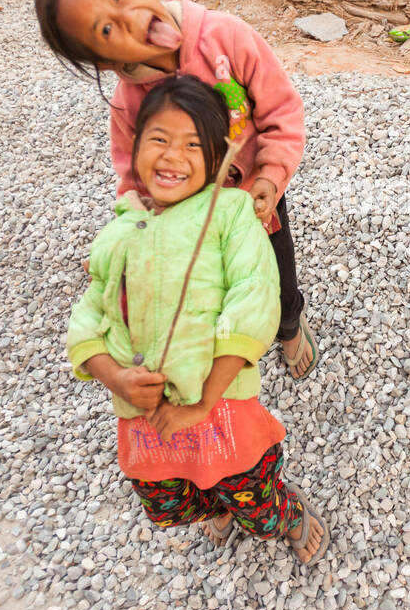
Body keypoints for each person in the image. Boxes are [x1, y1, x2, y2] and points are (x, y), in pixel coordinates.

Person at [66, 75, 328, 562]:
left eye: (193, 144)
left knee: (254, 497)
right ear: (135, 146)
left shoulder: (230, 213)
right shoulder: (120, 228)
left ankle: (286, 516)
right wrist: (115, 377)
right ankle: (213, 509)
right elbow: (88, 316)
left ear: (218, 159)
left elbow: (254, 298)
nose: (172, 155)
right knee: (173, 501)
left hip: (221, 408)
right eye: (159, 139)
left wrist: (203, 400)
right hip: (147, 422)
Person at [37, 0, 318, 380]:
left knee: (275, 274)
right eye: (107, 30)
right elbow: (134, 176)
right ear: (106, 63)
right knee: (209, 286)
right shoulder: (129, 102)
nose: (128, 15)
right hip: (188, 217)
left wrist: (270, 176)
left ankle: (288, 327)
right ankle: (222, 348)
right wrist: (135, 233)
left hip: (256, 197)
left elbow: (282, 109)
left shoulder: (226, 37)